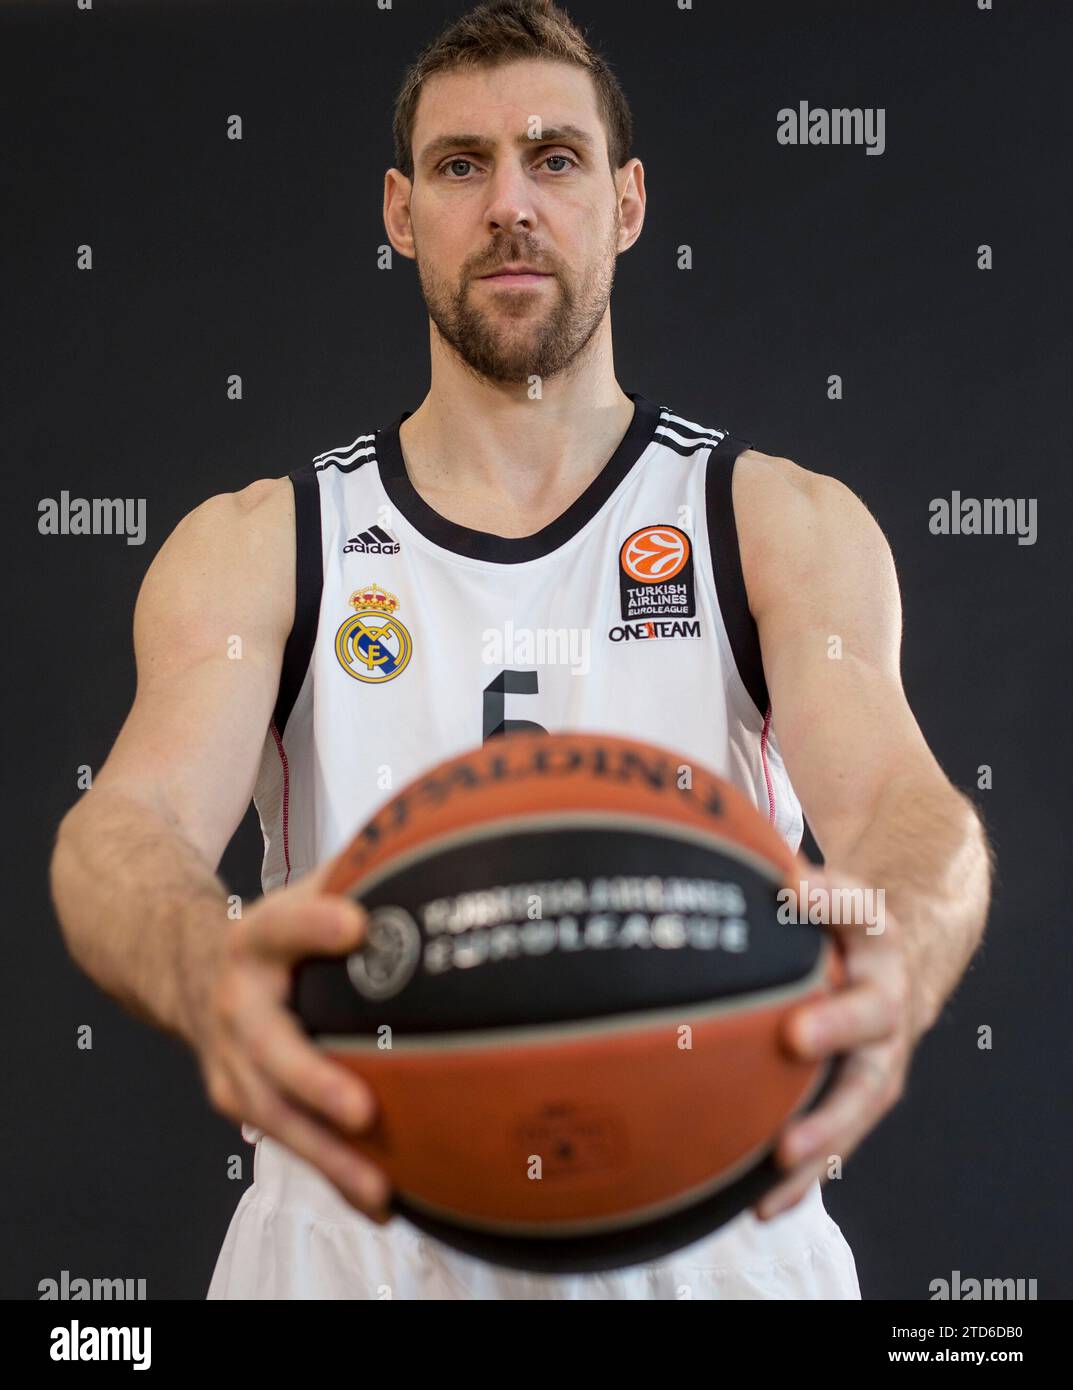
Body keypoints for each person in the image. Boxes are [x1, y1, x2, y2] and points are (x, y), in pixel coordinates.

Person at [49, 0, 991, 1300]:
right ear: (397, 212)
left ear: (626, 202)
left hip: (705, 1227)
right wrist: (196, 948)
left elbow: (905, 806)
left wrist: (894, 936)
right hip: (354, 1239)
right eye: (458, 165)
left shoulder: (772, 523)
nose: (510, 205)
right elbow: (123, 824)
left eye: (554, 158)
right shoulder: (266, 540)